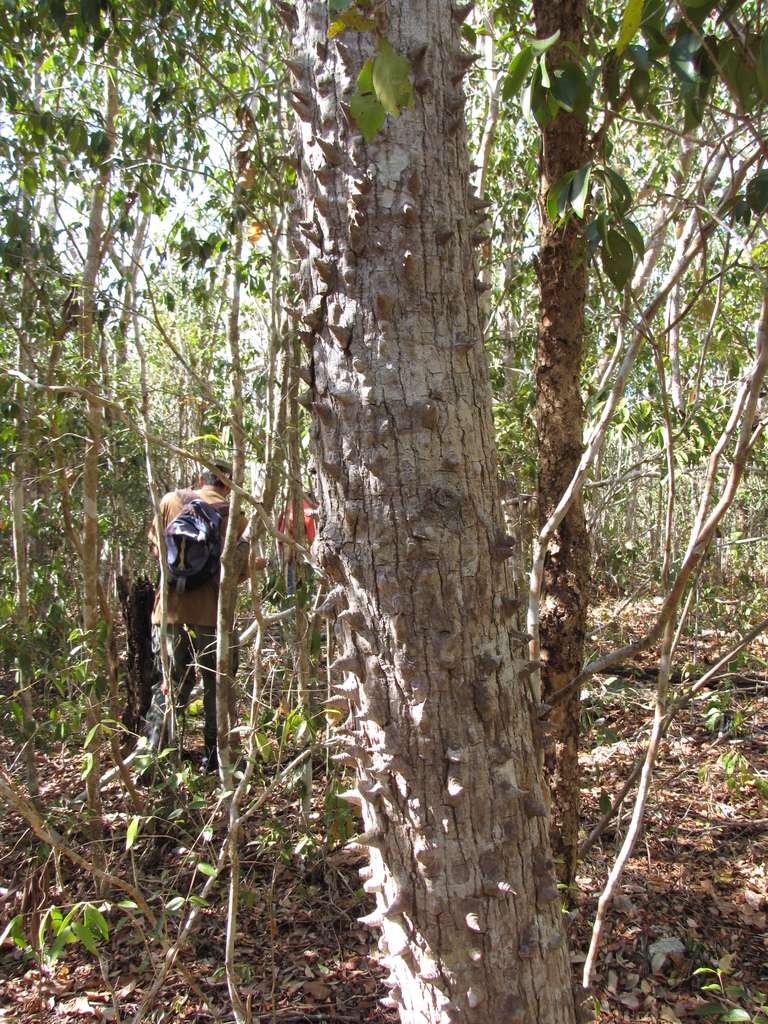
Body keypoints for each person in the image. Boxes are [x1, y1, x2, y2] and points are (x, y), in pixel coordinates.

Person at [144, 461, 262, 772]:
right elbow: (238, 572)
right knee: (217, 685)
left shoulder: (170, 501)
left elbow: (157, 548)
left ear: (201, 479)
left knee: (169, 685)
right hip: (213, 615)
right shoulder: (235, 516)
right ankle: (214, 759)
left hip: (168, 611)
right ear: (229, 485)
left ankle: (154, 760)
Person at [278, 497, 317, 596]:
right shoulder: (290, 507)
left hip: (308, 559)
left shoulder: (290, 505)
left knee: (302, 593)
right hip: (294, 557)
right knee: (296, 593)